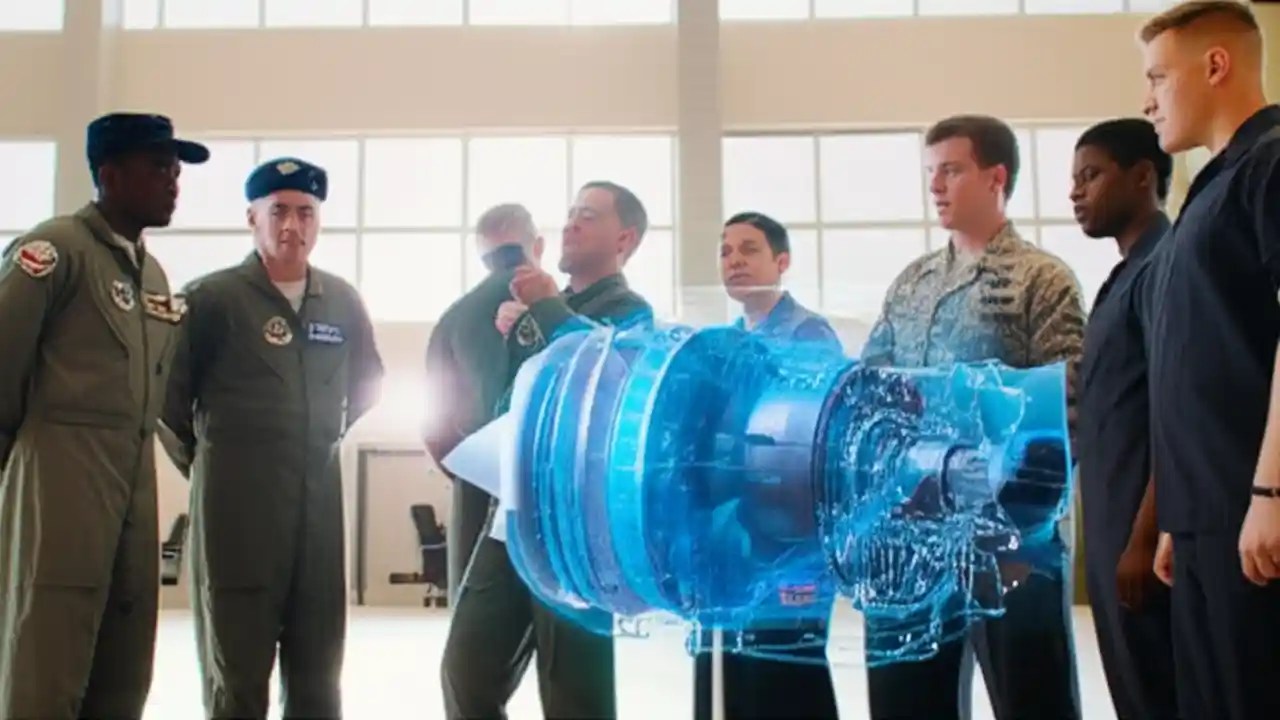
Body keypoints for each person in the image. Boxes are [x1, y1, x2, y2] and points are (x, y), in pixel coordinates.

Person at [860, 114, 1084, 720]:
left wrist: (1024, 516)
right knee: (907, 700)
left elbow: (1066, 411)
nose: (936, 186)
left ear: (996, 177)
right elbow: (872, 389)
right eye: (930, 173)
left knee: (1033, 698)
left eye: (952, 170)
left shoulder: (1041, 279)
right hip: (911, 535)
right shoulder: (912, 283)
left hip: (1008, 538)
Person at [158, 157, 384, 719]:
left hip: (317, 511)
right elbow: (166, 402)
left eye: (305, 213)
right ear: (251, 218)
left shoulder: (341, 301)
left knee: (318, 673)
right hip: (237, 516)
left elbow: (367, 385)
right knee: (236, 673)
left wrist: (315, 442)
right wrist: (215, 465)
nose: (292, 226)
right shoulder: (211, 300)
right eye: (278, 211)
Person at [0, 112, 208, 719]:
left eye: (176, 171)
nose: (173, 183)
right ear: (110, 175)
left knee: (123, 668)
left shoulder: (155, 276)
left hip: (133, 485)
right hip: (61, 477)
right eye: (158, 168)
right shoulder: (55, 252)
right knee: (47, 665)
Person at [441, 181, 653, 720]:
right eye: (570, 214)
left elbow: (611, 374)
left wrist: (545, 311)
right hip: (510, 516)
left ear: (624, 238)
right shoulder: (538, 307)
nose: (571, 225)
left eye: (588, 216)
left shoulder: (632, 312)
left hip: (576, 530)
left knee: (573, 692)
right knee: (466, 671)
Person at [1135, 3, 1280, 718]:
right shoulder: (1210, 188)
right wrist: (1173, 515)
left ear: (1216, 65)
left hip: (1252, 513)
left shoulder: (1272, 160)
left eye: (1159, 77)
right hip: (1203, 519)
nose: (1148, 98)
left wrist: (1269, 494)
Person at [691, 210, 842, 720]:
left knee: (785, 674)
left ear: (782, 261)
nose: (733, 260)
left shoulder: (809, 336)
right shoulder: (724, 344)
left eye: (748, 249)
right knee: (730, 674)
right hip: (733, 537)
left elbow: (810, 441)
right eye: (725, 250)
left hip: (788, 539)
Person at [1070, 118, 1177, 720]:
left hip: (1142, 536)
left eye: (1091, 175)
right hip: (1112, 524)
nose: (1076, 192)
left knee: (1157, 693)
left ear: (1142, 178)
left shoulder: (1162, 267)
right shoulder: (1125, 272)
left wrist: (1142, 538)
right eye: (1073, 180)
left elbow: (1174, 411)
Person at [423, 203, 545, 603]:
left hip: (477, 485)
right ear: (537, 246)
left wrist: (471, 474)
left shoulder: (452, 319)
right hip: (548, 490)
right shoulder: (561, 307)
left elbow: (434, 427)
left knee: (474, 632)